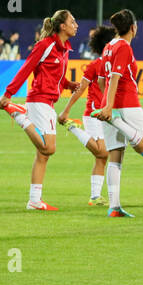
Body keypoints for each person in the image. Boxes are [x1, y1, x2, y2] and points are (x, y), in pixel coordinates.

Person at [0, 10, 78, 211]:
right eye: (72, 21)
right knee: (49, 148)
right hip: (39, 100)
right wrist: (9, 94)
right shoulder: (46, 45)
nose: (76, 24)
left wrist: (68, 84)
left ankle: (34, 200)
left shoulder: (64, 49)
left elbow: (54, 75)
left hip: (48, 102)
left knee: (43, 155)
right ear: (62, 27)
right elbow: (27, 68)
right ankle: (18, 113)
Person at [93, 9, 143, 218]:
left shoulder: (108, 47)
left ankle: (114, 207)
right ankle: (118, 122)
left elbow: (102, 80)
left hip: (109, 105)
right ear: (133, 28)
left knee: (116, 156)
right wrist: (111, 110)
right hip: (126, 104)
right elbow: (115, 78)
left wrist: (105, 103)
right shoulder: (124, 48)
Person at [55, 26, 113, 206]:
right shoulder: (95, 65)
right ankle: (73, 127)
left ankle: (95, 197)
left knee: (102, 157)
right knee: (103, 152)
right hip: (94, 114)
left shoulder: (114, 65)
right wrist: (66, 110)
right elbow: (81, 89)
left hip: (108, 115)